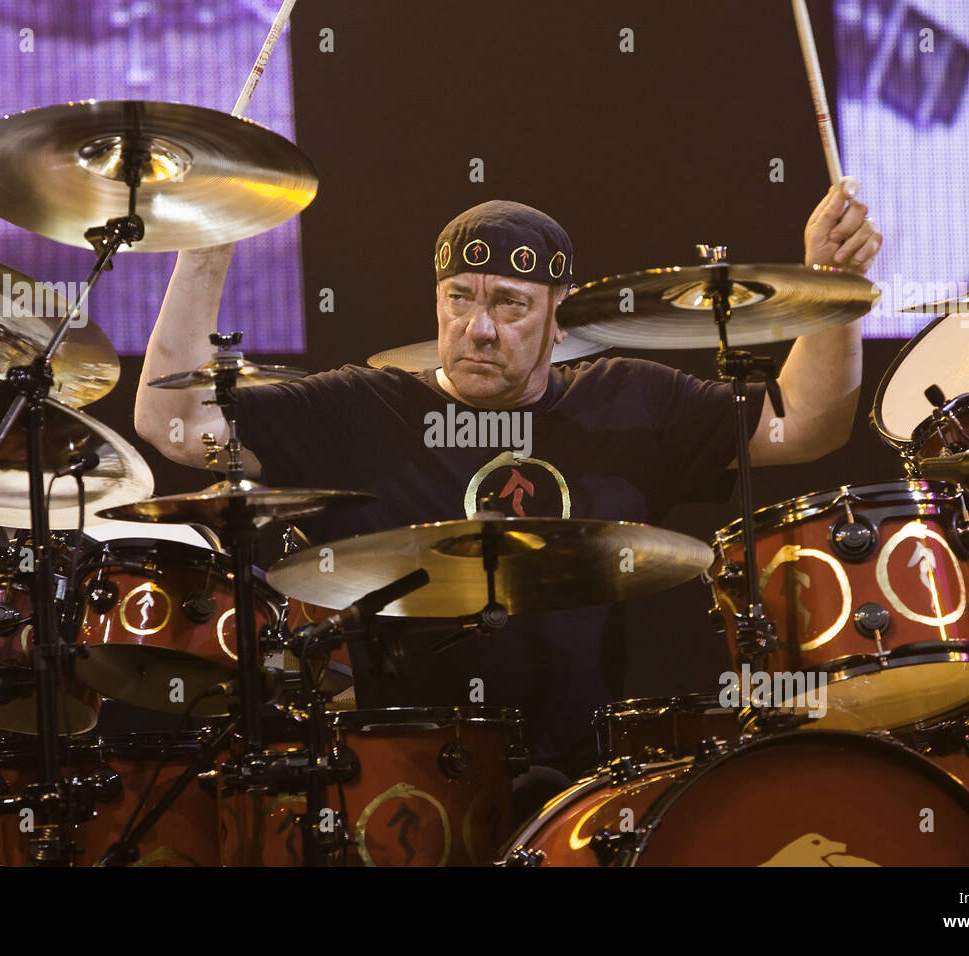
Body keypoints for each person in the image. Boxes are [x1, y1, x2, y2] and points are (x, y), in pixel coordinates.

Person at [135, 181, 881, 789]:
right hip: (403, 776)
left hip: (599, 778)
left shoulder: (628, 403)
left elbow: (807, 425)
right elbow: (172, 424)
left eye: (510, 304)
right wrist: (206, 252)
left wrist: (835, 287)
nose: (479, 328)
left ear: (560, 319)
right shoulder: (361, 408)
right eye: (460, 297)